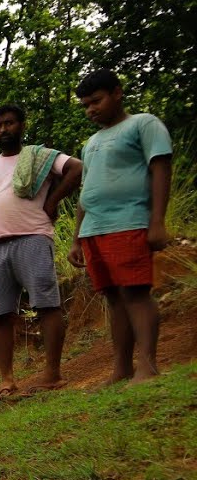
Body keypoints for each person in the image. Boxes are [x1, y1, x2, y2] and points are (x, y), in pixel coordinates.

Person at [0, 104, 83, 400]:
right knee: (1, 315)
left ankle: (52, 373)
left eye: (9, 123)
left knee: (47, 305)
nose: (3, 129)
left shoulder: (40, 156)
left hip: (33, 238)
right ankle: (7, 380)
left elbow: (76, 168)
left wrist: (53, 202)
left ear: (22, 125)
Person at [70, 70, 173, 384]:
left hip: (129, 223)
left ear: (117, 93)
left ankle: (148, 366)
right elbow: (86, 192)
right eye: (86, 105)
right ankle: (121, 369)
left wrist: (156, 222)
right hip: (94, 230)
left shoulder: (143, 124)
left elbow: (161, 168)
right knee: (113, 299)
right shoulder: (92, 142)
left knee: (135, 294)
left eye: (96, 101)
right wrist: (76, 238)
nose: (91, 110)